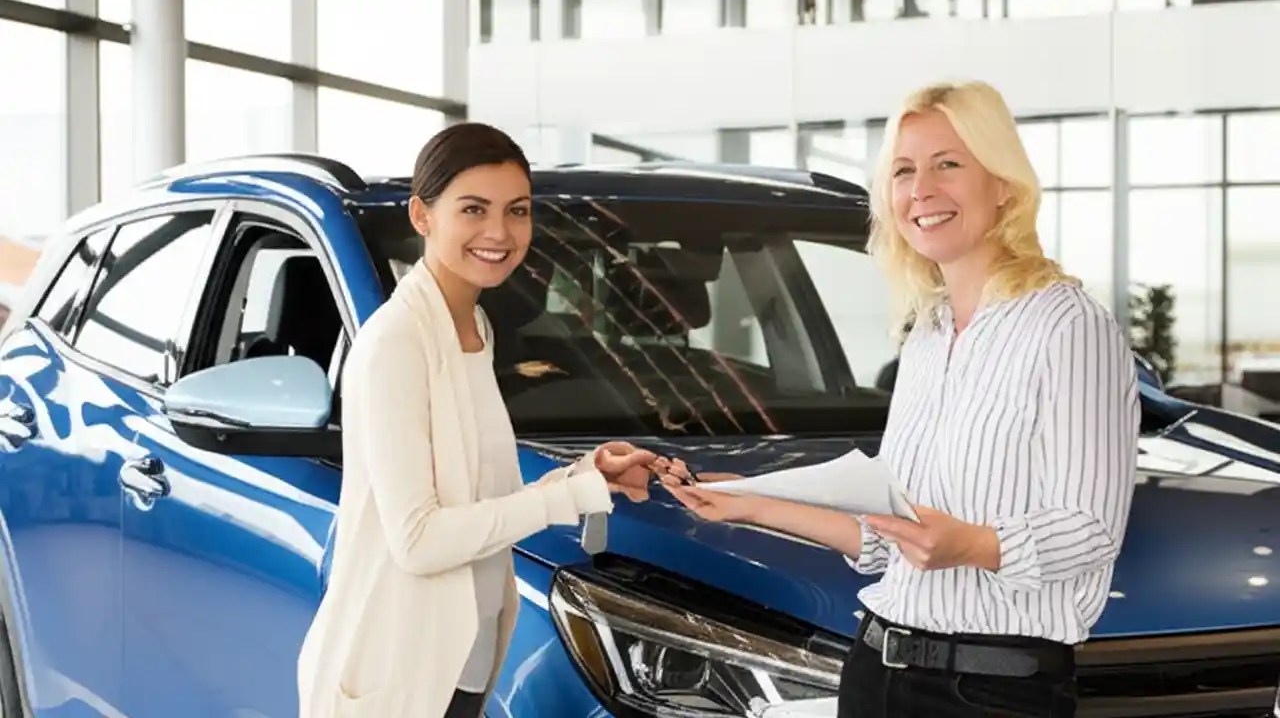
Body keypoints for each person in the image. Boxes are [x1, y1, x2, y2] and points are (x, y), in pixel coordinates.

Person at [661, 80, 1140, 717]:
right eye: (904, 171)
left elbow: (1091, 529)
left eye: (948, 164)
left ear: (1003, 183)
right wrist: (747, 503)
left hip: (989, 693)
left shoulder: (1068, 326)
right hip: (877, 673)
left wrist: (972, 546)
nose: (921, 190)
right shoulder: (928, 334)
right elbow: (890, 537)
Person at [296, 123, 664, 718]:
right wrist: (572, 497)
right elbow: (419, 541)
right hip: (401, 673)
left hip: (461, 661)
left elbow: (482, 503)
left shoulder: (472, 328)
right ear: (422, 215)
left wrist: (585, 474)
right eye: (473, 209)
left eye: (517, 210)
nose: (499, 232)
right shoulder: (397, 341)